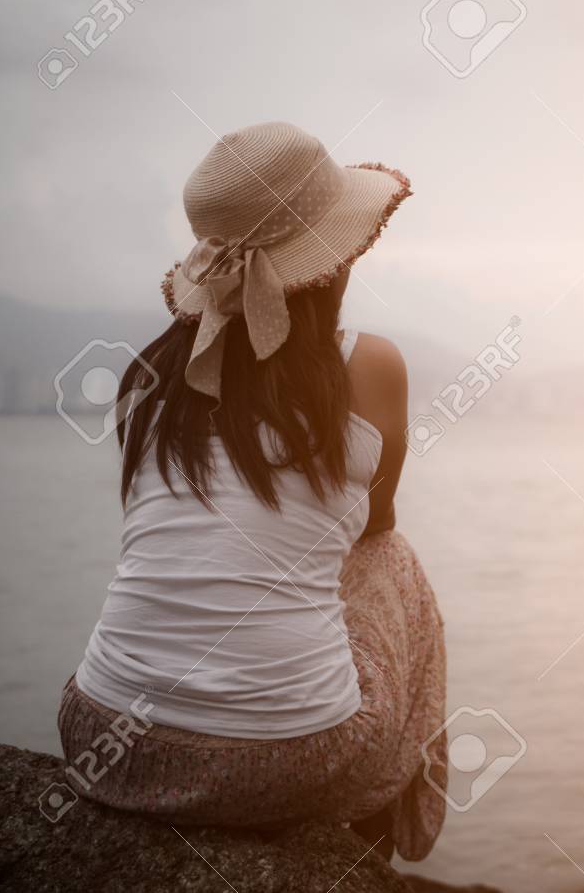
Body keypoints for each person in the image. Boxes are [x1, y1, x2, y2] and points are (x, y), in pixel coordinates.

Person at [57, 121, 447, 861]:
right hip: (288, 760)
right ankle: (375, 841)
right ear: (330, 262)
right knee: (393, 562)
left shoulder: (146, 378)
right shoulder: (371, 367)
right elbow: (375, 526)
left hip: (96, 736)